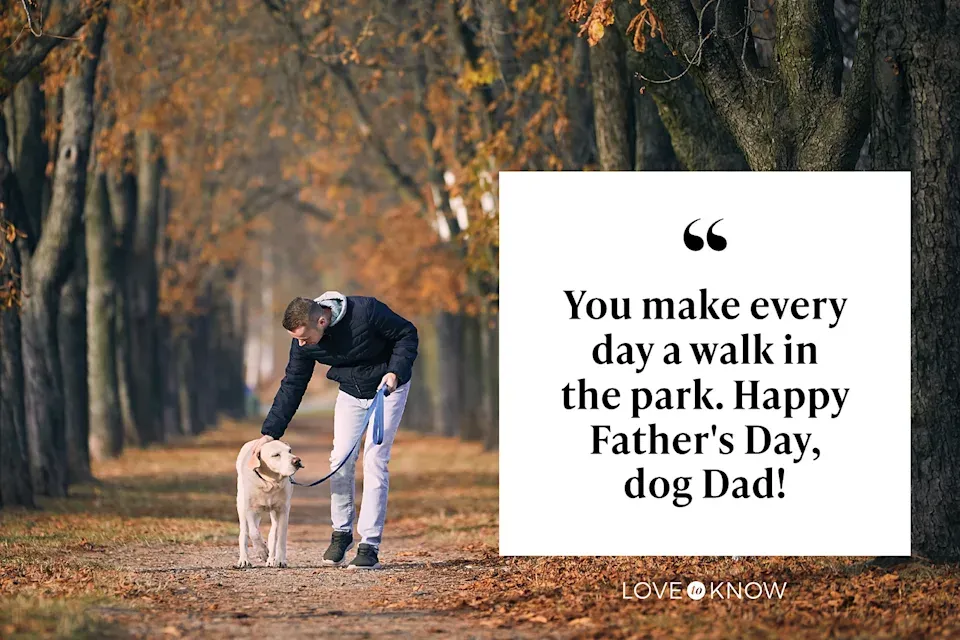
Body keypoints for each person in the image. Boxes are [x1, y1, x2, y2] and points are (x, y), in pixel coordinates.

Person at [251, 291, 418, 569]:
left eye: (303, 336)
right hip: (351, 392)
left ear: (321, 321)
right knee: (340, 460)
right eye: (297, 339)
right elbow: (293, 383)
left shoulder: (367, 311)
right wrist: (271, 431)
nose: (301, 343)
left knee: (375, 460)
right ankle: (341, 533)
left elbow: (407, 334)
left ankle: (369, 544)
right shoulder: (304, 343)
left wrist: (396, 371)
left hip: (388, 387)